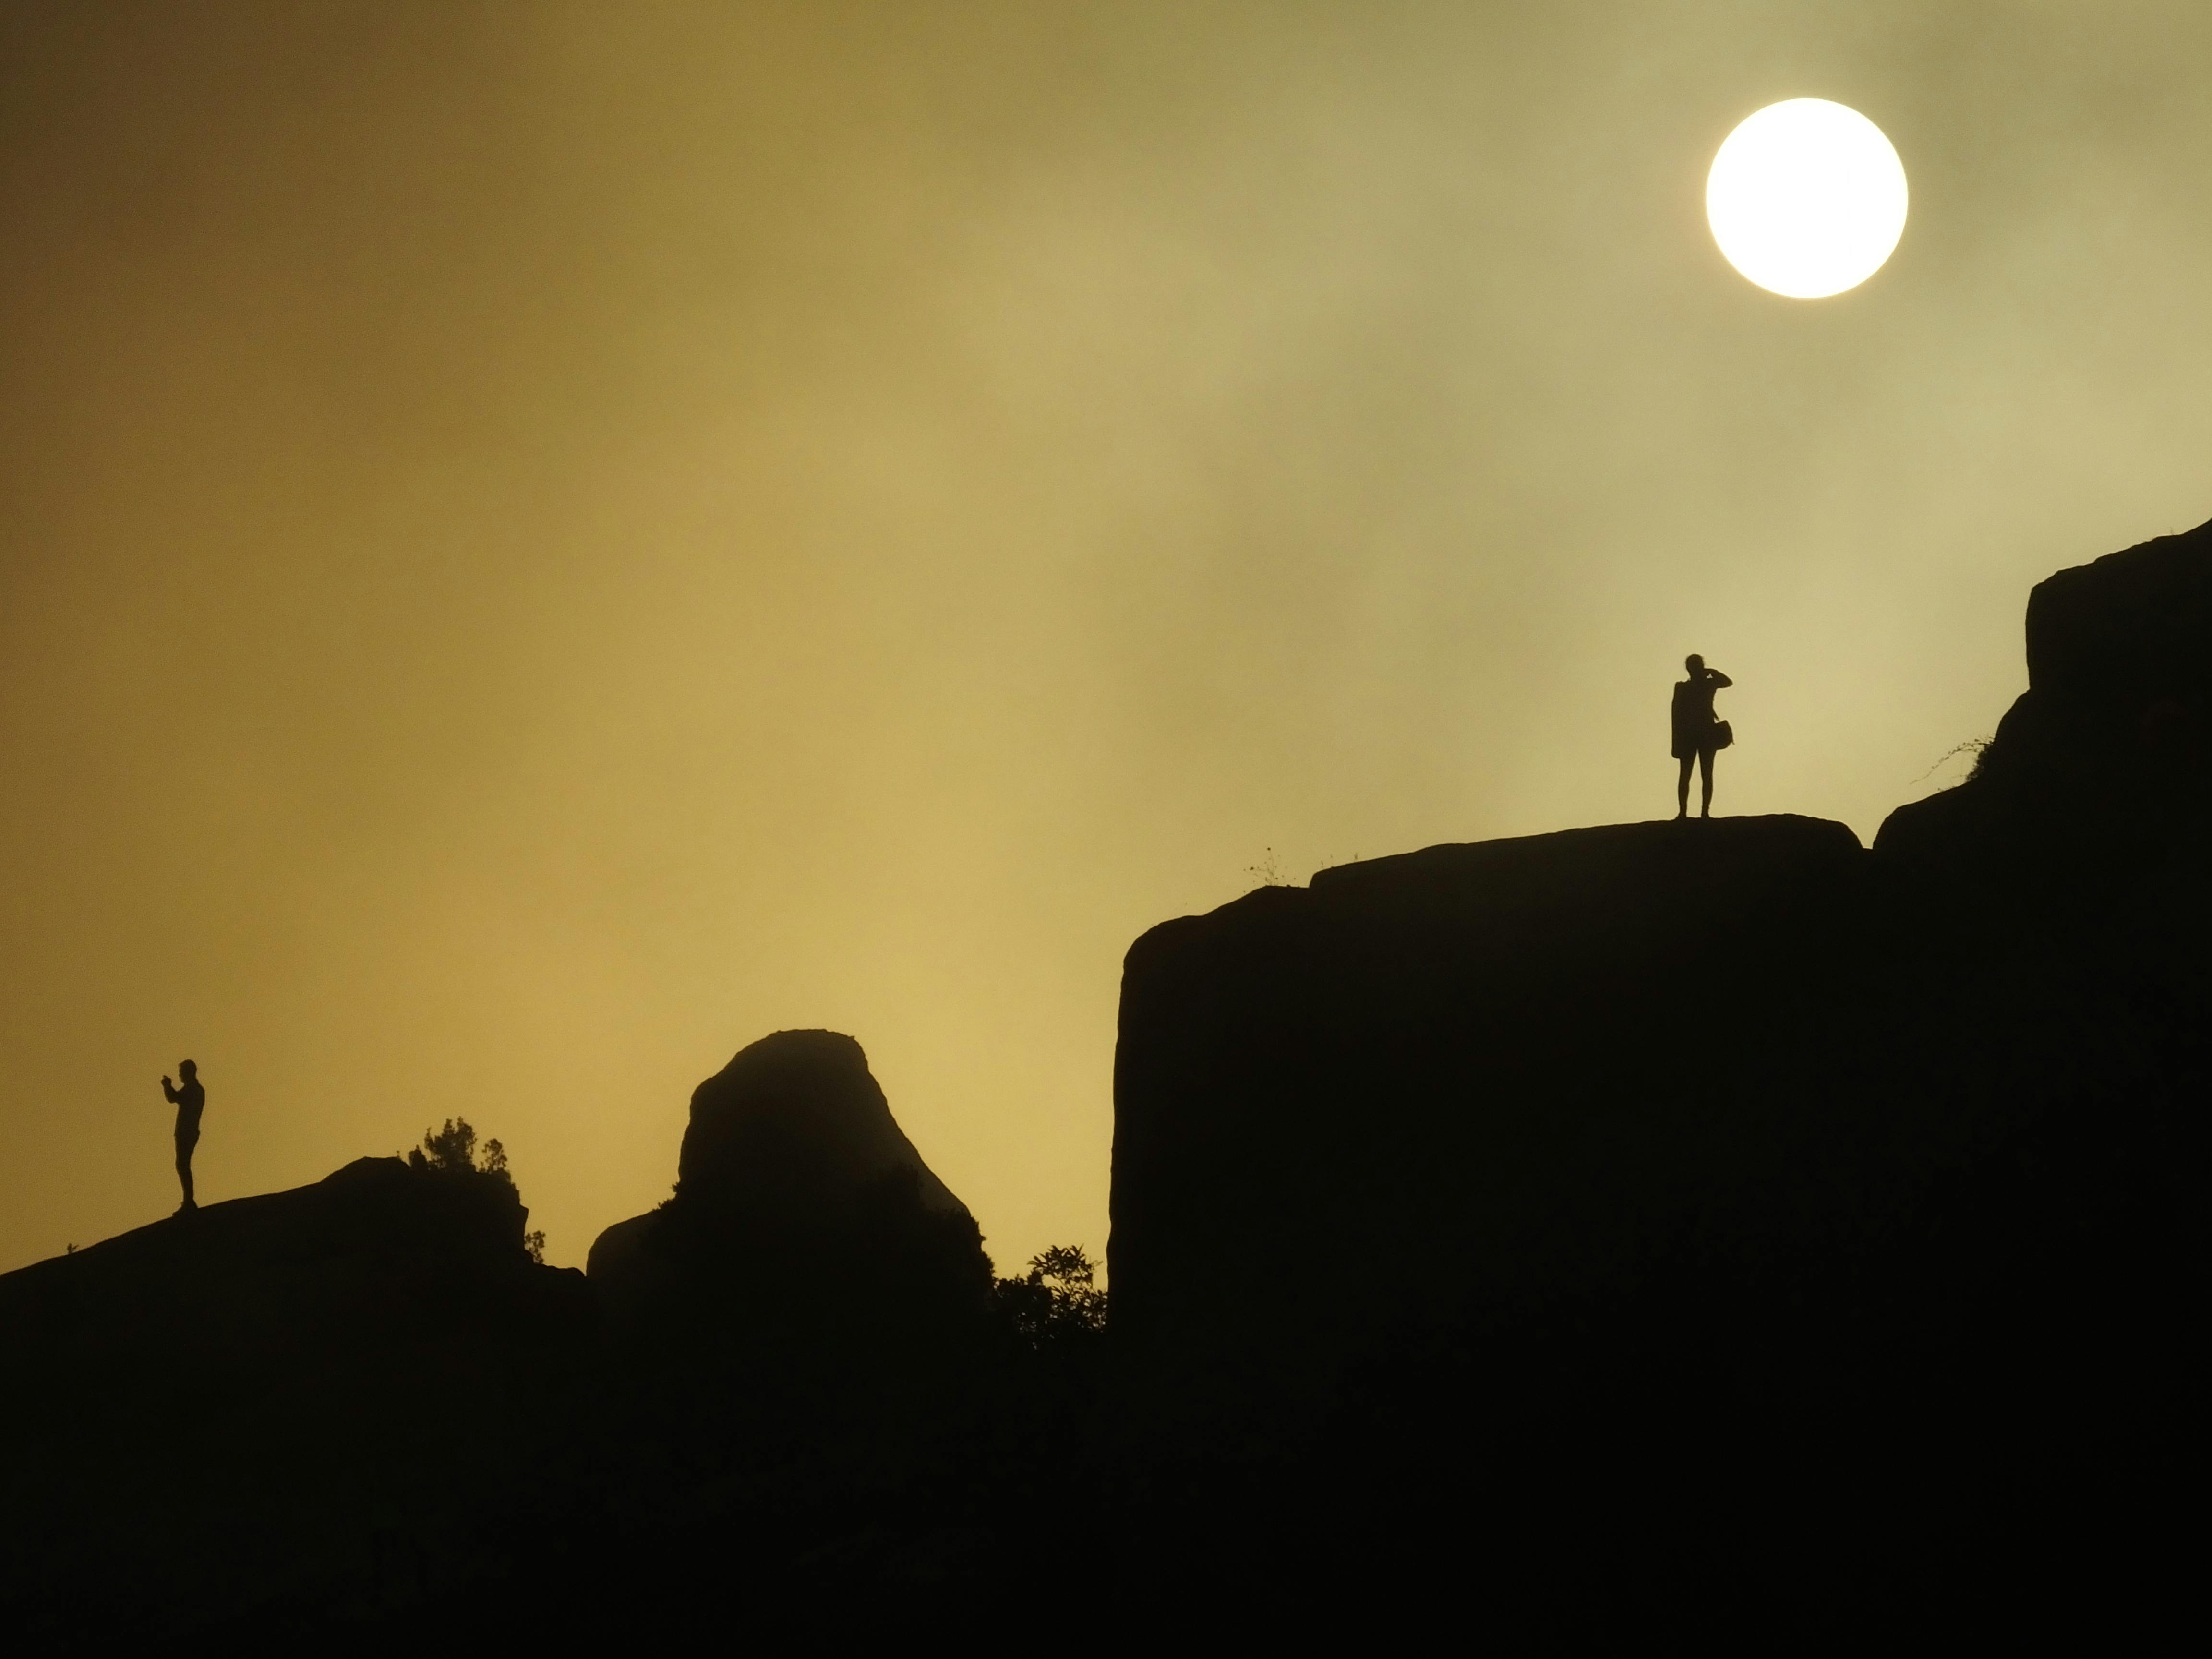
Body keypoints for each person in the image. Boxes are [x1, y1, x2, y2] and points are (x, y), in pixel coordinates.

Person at [1671, 654, 1733, 820]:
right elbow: (1676, 716)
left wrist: (1711, 672)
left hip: (1704, 733)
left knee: (1704, 774)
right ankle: (1684, 812)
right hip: (1691, 735)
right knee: (1687, 775)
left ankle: (1703, 812)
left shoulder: (1708, 683)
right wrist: (1676, 743)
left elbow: (1728, 682)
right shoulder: (1683, 687)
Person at [161, 1060, 205, 1214]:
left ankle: (189, 1201)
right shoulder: (194, 1089)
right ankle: (188, 1200)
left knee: (183, 1165)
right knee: (182, 1165)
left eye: (182, 1072)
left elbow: (174, 1098)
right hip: (187, 1132)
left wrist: (167, 1086)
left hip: (187, 1132)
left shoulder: (193, 1089)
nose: (180, 1075)